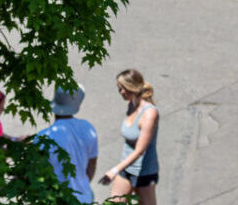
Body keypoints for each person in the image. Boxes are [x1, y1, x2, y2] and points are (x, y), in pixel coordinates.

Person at [100, 69, 159, 204]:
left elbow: (140, 151)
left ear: (132, 87)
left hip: (144, 172)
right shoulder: (131, 105)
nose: (120, 92)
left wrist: (114, 171)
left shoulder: (149, 113)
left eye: (123, 89)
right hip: (126, 169)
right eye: (119, 89)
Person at [34, 88, 98, 204]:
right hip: (84, 197)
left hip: (55, 199)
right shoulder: (88, 128)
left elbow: (36, 173)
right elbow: (92, 164)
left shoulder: (43, 137)